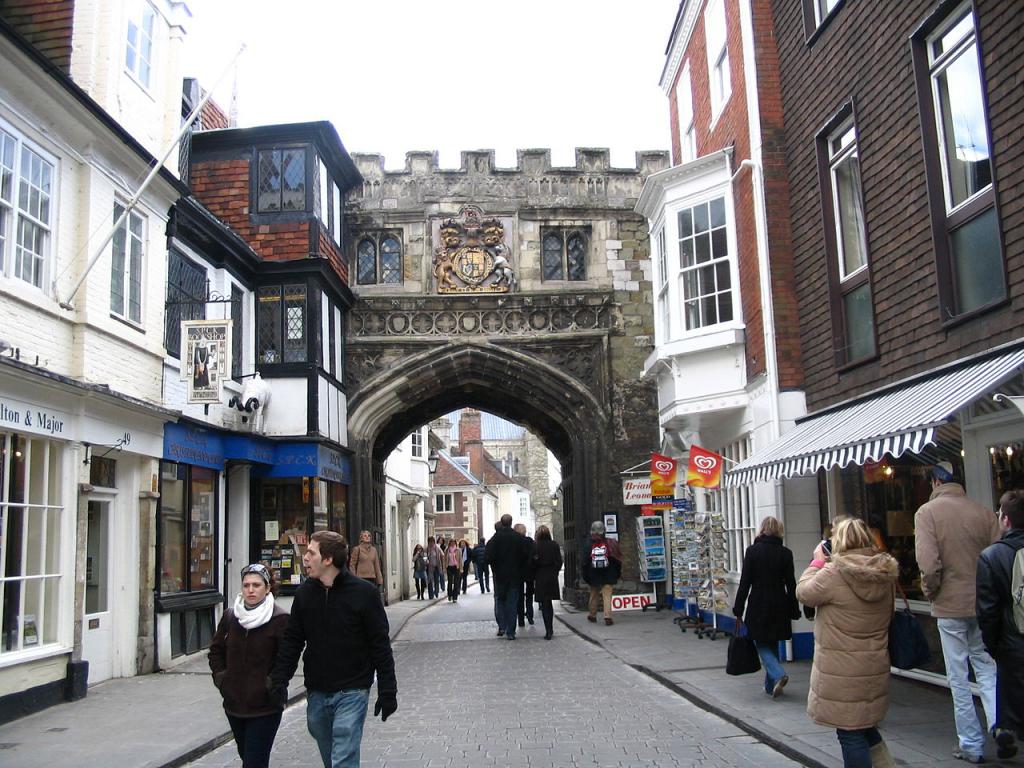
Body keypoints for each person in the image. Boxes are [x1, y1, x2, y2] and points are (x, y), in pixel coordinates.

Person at [269, 531, 397, 768]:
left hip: (352, 690)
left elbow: (380, 644)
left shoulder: (364, 594)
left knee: (343, 760)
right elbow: (292, 641)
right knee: (333, 760)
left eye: (311, 552)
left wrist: (388, 690)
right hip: (317, 691)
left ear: (327, 559)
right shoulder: (305, 594)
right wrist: (280, 681)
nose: (305, 558)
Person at [915, 460, 1001, 763]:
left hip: (950, 604)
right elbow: (997, 556)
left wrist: (931, 592)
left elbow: (928, 563)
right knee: (987, 667)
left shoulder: (927, 513)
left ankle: (971, 743)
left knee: (959, 677)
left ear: (936, 482)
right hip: (982, 603)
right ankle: (998, 723)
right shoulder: (983, 513)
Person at [796, 517, 898, 768]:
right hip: (874, 664)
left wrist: (817, 561)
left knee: (850, 732)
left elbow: (804, 593)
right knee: (865, 725)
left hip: (842, 669)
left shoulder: (834, 573)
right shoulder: (885, 573)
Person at [208, 563, 289, 768]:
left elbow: (286, 659)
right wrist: (222, 678)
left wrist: (271, 684)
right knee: (247, 756)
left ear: (267, 588)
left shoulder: (280, 619)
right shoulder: (230, 617)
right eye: (246, 585)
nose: (250, 590)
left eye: (256, 585)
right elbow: (216, 651)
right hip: (234, 704)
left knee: (254, 762)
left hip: (265, 706)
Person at [977, 489, 1024, 760]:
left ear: (1005, 520)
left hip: (1013, 646)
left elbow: (988, 611)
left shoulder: (992, 556)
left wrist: (994, 646)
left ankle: (1005, 735)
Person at [732, 516, 801, 699]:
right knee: (772, 642)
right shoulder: (786, 553)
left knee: (760, 641)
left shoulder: (752, 551)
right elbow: (791, 584)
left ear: (762, 530)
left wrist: (738, 608)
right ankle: (770, 686)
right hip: (780, 603)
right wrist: (794, 609)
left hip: (758, 603)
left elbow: (745, 582)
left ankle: (778, 674)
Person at [486, 514, 529, 639]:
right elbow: (525, 555)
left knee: (501, 600)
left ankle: (502, 626)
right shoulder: (517, 537)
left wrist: (495, 567)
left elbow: (488, 556)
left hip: (500, 575)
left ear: (502, 522)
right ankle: (511, 631)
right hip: (514, 575)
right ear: (511, 522)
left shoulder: (495, 538)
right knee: (512, 602)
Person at [581, 520, 621, 626]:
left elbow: (584, 561)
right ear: (604, 531)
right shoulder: (610, 542)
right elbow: (617, 559)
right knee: (607, 595)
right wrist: (617, 573)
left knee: (594, 594)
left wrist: (585, 575)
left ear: (592, 531)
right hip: (608, 573)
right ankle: (607, 616)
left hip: (593, 573)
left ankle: (592, 615)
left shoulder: (588, 544)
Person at [532, 524, 563, 640]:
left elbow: (532, 563)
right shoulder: (554, 545)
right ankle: (550, 628)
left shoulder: (536, 546)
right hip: (551, 575)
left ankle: (548, 630)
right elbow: (559, 561)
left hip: (540, 576)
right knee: (549, 603)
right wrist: (555, 571)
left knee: (545, 605)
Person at [514, 523, 536, 627]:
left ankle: (521, 619)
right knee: (529, 595)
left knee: (519, 597)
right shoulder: (530, 541)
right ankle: (530, 616)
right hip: (530, 571)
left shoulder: (514, 541)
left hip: (518, 572)